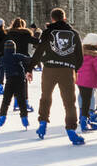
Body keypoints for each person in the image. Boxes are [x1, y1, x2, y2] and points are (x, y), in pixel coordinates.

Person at [27, 8, 85, 144]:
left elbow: (39, 52)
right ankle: (71, 130)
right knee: (69, 102)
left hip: (50, 69)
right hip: (67, 71)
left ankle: (42, 122)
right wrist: (74, 68)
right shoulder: (74, 34)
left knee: (46, 96)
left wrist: (30, 68)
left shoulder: (48, 32)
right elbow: (80, 57)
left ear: (52, 19)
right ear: (64, 18)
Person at [0, 39, 31, 128]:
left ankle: (2, 117)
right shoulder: (17, 56)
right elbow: (27, 59)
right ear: (14, 48)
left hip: (10, 82)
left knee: (6, 101)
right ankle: (24, 118)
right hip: (20, 81)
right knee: (21, 100)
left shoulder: (4, 58)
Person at [77, 33, 97, 132]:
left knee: (84, 99)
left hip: (79, 80)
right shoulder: (96, 56)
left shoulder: (80, 53)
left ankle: (84, 119)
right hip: (89, 81)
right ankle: (85, 122)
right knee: (87, 100)